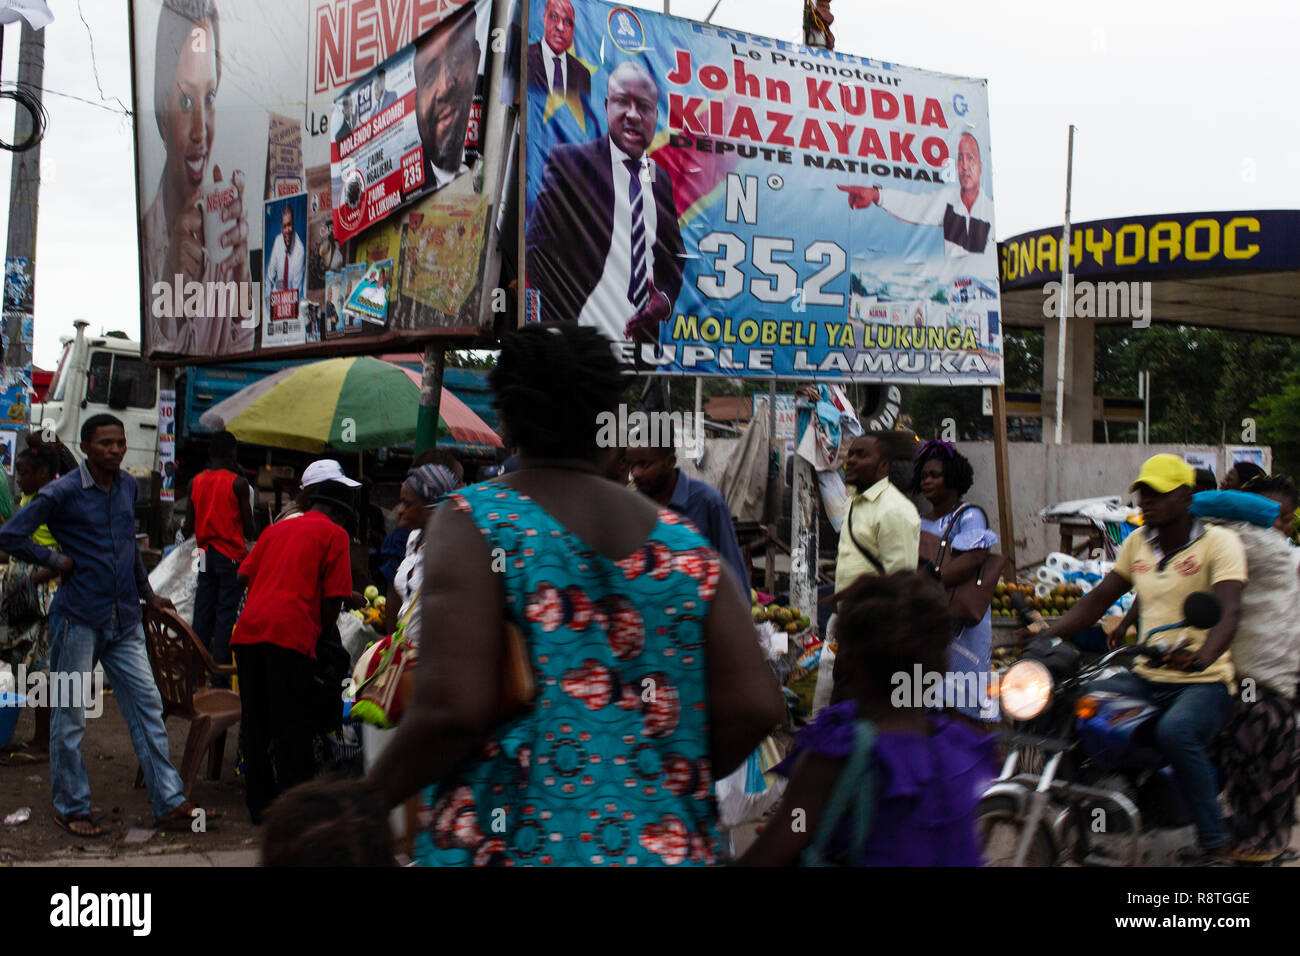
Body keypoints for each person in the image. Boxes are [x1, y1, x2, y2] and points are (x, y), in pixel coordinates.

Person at [270, 324, 784, 866]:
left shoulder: (476, 524)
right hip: (665, 848)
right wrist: (660, 777)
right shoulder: (686, 550)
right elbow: (757, 704)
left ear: (507, 420)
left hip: (517, 844)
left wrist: (366, 801)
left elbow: (452, 710)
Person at [1031, 454, 1244, 862]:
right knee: (1077, 702)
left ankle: (1216, 844)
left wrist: (1202, 657)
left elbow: (1230, 610)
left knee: (1176, 733)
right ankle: (1089, 817)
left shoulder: (1219, 543)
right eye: (1142, 492)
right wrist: (1048, 637)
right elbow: (1097, 599)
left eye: (1158, 494)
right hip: (1146, 673)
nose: (1146, 501)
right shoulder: (1136, 543)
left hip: (1204, 681)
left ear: (1185, 497)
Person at [0, 415, 204, 837]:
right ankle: (72, 807)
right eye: (106, 443)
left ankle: (168, 802)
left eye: (120, 442)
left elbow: (127, 545)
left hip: (124, 619)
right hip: (78, 620)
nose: (115, 449)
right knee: (71, 716)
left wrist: (147, 594)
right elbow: (11, 535)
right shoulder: (63, 491)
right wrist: (56, 561)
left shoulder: (128, 486)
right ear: (87, 446)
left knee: (147, 707)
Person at [737, 571, 998, 866]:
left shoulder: (834, 757)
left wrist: (799, 822)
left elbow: (791, 831)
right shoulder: (962, 751)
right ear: (939, 667)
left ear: (847, 662)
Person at [526, 61, 685, 344]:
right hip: (579, 337)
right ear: (606, 105)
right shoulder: (570, 163)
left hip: (641, 342)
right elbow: (537, 248)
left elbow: (674, 255)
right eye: (623, 102)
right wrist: (562, 327)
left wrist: (665, 300)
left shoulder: (659, 179)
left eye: (644, 107)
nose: (633, 115)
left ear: (655, 115)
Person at [232, 479, 355, 824]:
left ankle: (259, 807)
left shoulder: (275, 530)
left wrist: (279, 578)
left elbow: (244, 576)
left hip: (249, 632)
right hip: (291, 635)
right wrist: (324, 635)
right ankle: (294, 810)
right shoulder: (335, 535)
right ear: (338, 513)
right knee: (292, 725)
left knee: (256, 723)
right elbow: (333, 600)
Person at [141, 0, 253, 355]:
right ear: (161, 114)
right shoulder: (147, 242)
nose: (201, 131)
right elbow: (159, 358)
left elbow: (244, 352)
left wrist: (240, 274)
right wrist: (170, 291)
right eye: (186, 102)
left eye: (211, 97)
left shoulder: (220, 231)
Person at [1200, 475, 1300, 863]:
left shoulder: (1276, 553)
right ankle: (1250, 836)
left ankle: (1264, 841)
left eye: (1287, 519)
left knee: (1266, 752)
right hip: (1237, 677)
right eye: (1270, 516)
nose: (1279, 526)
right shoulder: (1230, 544)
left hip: (1272, 681)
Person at [911, 439, 1000, 719]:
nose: (927, 481)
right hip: (927, 616)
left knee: (960, 703)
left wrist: (928, 583)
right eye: (924, 476)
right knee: (923, 697)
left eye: (935, 475)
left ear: (953, 478)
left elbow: (974, 558)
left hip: (959, 622)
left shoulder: (969, 515)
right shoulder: (917, 519)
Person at [838, 132, 995, 290]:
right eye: (960, 158)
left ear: (981, 167)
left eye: (971, 158)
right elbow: (914, 206)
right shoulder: (949, 201)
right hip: (955, 298)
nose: (965, 165)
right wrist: (876, 195)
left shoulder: (988, 212)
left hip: (985, 296)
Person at [0, 441, 65, 765]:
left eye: (24, 473)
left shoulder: (55, 502)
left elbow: (64, 557)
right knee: (23, 667)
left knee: (42, 669)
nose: (19, 480)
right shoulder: (29, 498)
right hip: (23, 594)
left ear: (43, 473)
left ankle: (43, 742)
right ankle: (37, 737)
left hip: (41, 594)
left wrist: (28, 582)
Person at [626, 437, 748, 591]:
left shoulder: (707, 502)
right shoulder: (633, 507)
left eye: (644, 464)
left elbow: (734, 573)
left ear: (670, 462)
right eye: (632, 465)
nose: (635, 473)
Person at [181, 430, 254, 687]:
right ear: (231, 454)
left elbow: (188, 527)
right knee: (225, 617)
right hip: (230, 557)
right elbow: (248, 529)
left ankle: (194, 674)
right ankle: (219, 679)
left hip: (204, 555)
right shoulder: (238, 483)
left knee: (202, 614)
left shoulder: (195, 481)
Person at [835, 431, 921, 594]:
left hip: (879, 617)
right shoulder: (852, 501)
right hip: (851, 614)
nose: (851, 461)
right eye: (851, 454)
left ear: (884, 465)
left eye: (861, 456)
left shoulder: (895, 510)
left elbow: (902, 583)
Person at [412, 5, 481, 190]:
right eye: (430, 75)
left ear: (476, 58)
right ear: (416, 98)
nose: (445, 86)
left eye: (457, 59)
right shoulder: (400, 196)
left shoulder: (504, 121)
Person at [527, 0, 589, 104]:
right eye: (554, 17)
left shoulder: (583, 74)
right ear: (544, 18)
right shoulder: (525, 57)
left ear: (573, 29)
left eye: (567, 22)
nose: (560, 27)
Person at [264, 204, 305, 321]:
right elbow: (269, 277)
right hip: (276, 299)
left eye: (289, 225)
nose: (287, 230)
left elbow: (296, 290)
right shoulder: (278, 241)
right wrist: (268, 311)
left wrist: (287, 312)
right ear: (281, 228)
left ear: (294, 225)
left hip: (291, 301)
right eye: (284, 226)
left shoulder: (299, 250)